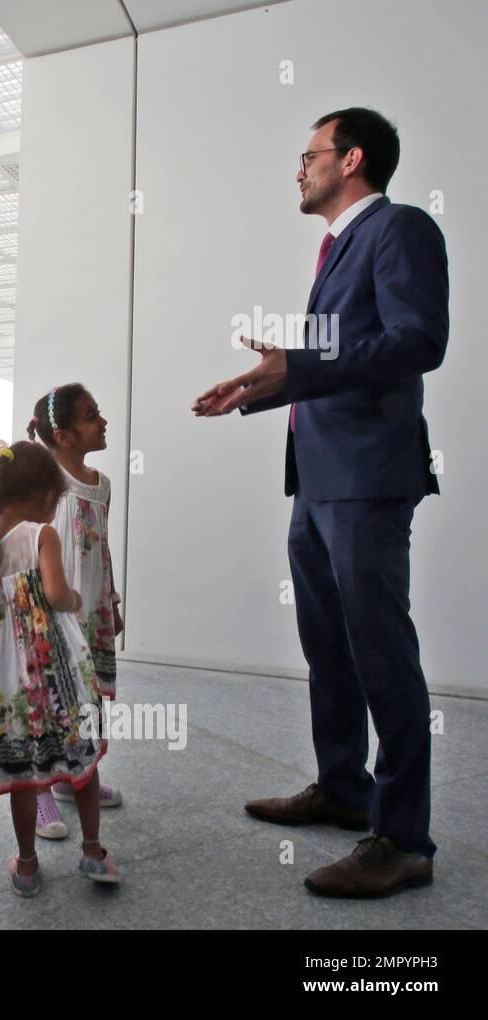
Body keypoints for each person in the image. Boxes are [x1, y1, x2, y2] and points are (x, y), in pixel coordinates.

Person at [193, 107, 448, 898]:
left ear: (353, 158)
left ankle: (404, 838)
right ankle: (344, 788)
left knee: (380, 650)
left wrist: (298, 368)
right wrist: (263, 386)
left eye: (310, 154)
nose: (299, 168)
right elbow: (334, 363)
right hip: (319, 476)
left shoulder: (400, 228)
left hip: (369, 477)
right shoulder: (338, 248)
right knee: (327, 645)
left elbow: (418, 342)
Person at [0, 442, 115, 894]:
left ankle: (26, 866)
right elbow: (58, 593)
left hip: (5, 692)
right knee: (80, 760)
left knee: (22, 776)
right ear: (47, 497)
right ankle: (92, 853)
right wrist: (78, 601)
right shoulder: (41, 536)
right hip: (55, 679)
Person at [27, 386, 124, 840]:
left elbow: (101, 545)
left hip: (90, 610)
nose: (102, 422)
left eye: (99, 413)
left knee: (84, 700)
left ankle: (76, 775)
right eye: (91, 416)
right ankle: (41, 790)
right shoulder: (43, 484)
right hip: (50, 611)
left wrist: (112, 598)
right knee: (47, 702)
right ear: (64, 435)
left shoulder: (101, 484)